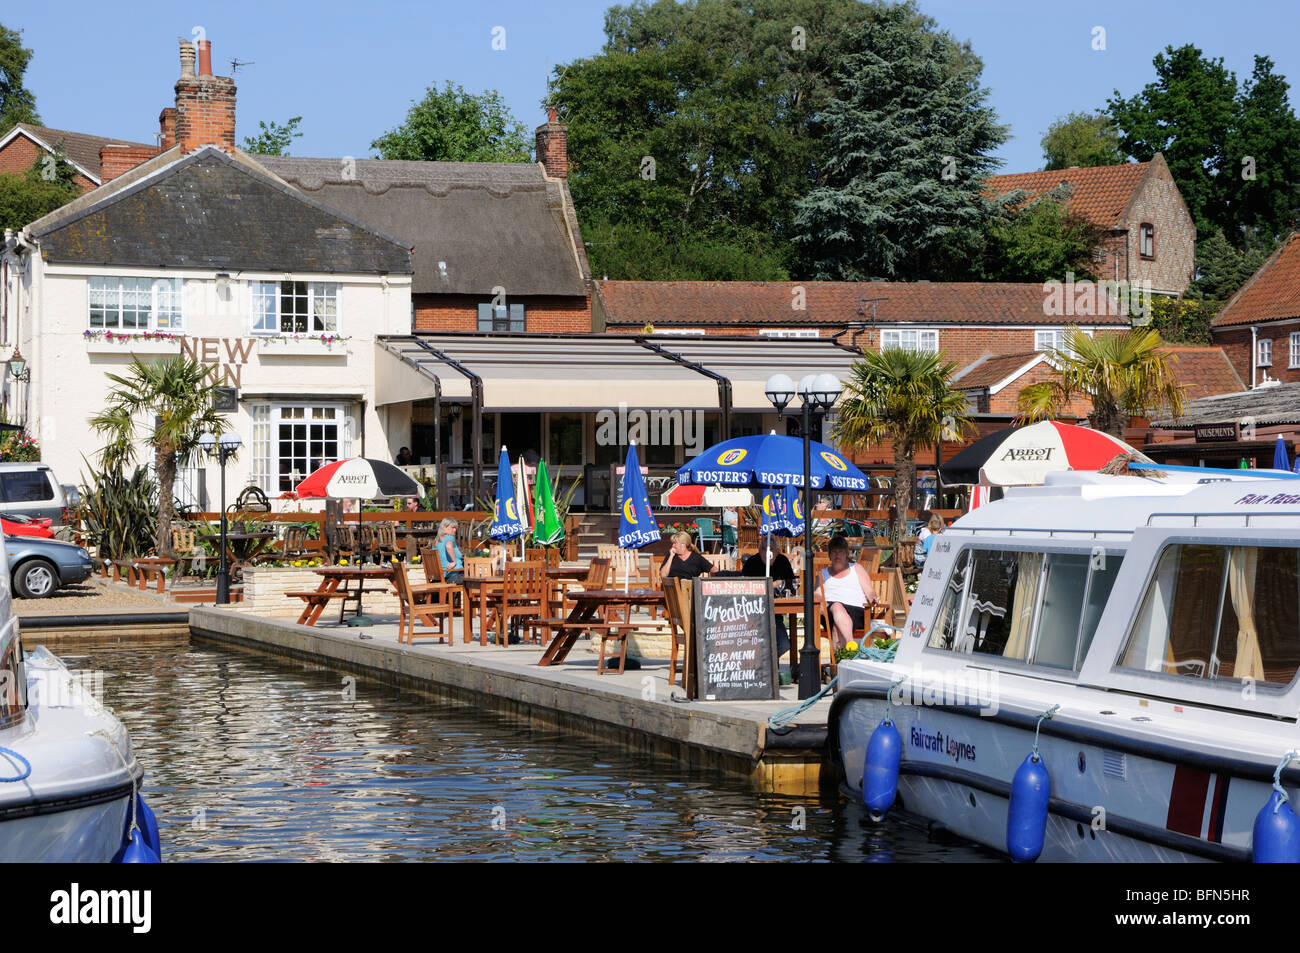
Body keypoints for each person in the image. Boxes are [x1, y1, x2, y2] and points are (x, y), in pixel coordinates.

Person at [814, 535, 878, 653]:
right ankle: (850, 645)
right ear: (830, 555)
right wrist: (820, 602)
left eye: (841, 552)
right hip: (829, 611)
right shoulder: (822, 573)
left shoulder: (856, 568)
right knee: (837, 606)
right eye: (834, 552)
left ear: (846, 554)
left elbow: (869, 589)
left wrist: (872, 596)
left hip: (856, 610)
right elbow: (817, 594)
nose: (837, 555)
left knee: (836, 626)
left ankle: (837, 666)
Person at [741, 548, 796, 659]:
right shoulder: (752, 562)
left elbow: (792, 584)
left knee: (784, 644)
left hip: (775, 614)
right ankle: (765, 667)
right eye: (765, 549)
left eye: (772, 549)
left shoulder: (782, 560)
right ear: (760, 550)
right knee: (758, 645)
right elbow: (744, 586)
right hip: (753, 615)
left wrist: (781, 585)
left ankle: (767, 665)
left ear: (777, 551)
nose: (768, 553)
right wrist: (772, 584)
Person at [435, 517, 464, 584]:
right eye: (452, 527)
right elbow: (448, 546)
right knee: (473, 578)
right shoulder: (449, 538)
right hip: (452, 575)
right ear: (444, 527)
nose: (455, 530)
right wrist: (454, 562)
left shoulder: (437, 540)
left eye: (455, 528)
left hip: (441, 576)